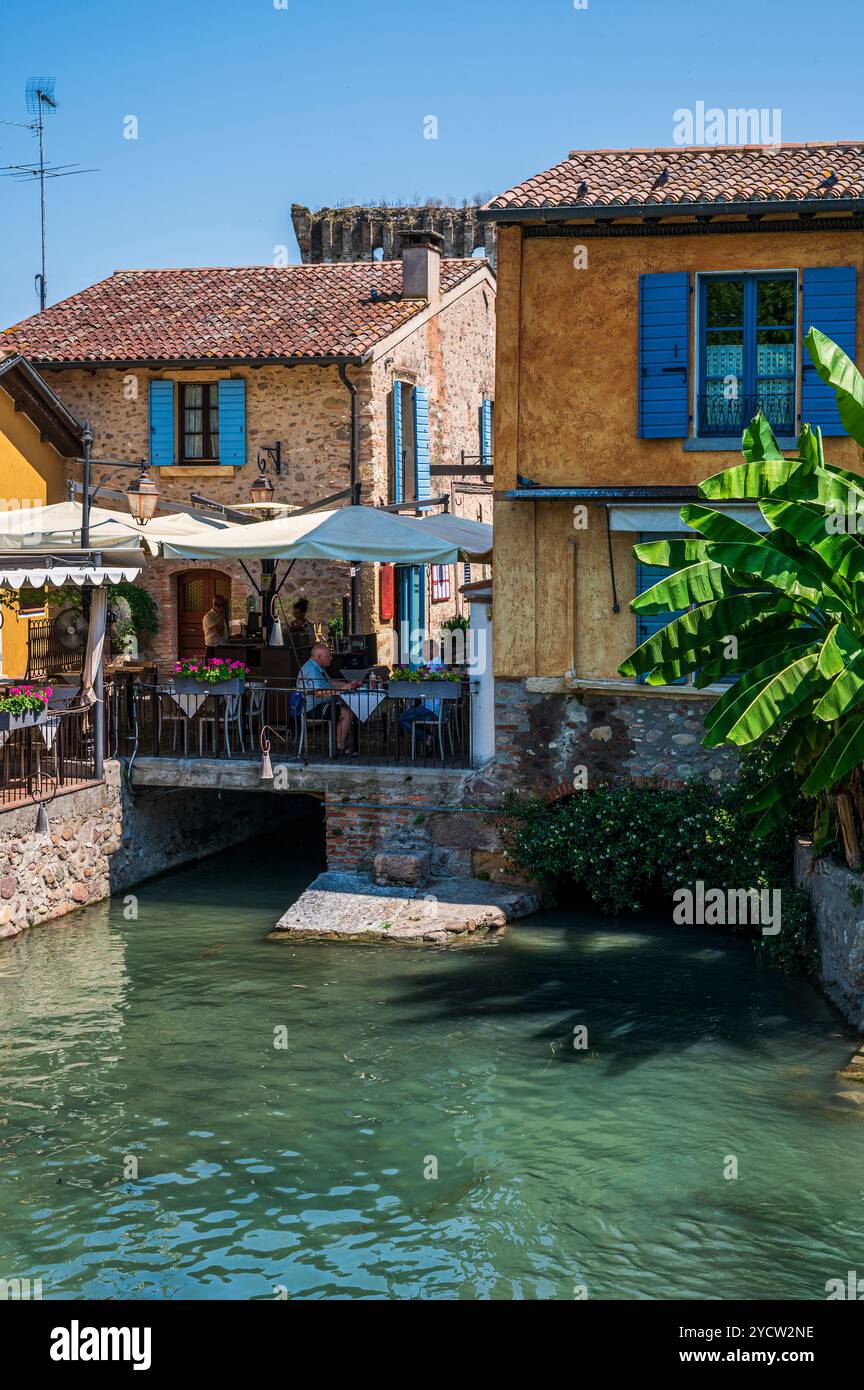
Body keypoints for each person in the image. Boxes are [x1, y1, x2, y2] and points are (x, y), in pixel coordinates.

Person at [298, 642, 361, 754]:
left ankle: (339, 743)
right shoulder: (312, 670)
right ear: (319, 657)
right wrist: (341, 690)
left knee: (347, 708)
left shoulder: (317, 667)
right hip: (311, 708)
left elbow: (330, 682)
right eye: (328, 656)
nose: (331, 658)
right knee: (347, 713)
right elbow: (317, 692)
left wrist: (349, 684)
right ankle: (339, 746)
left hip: (319, 705)